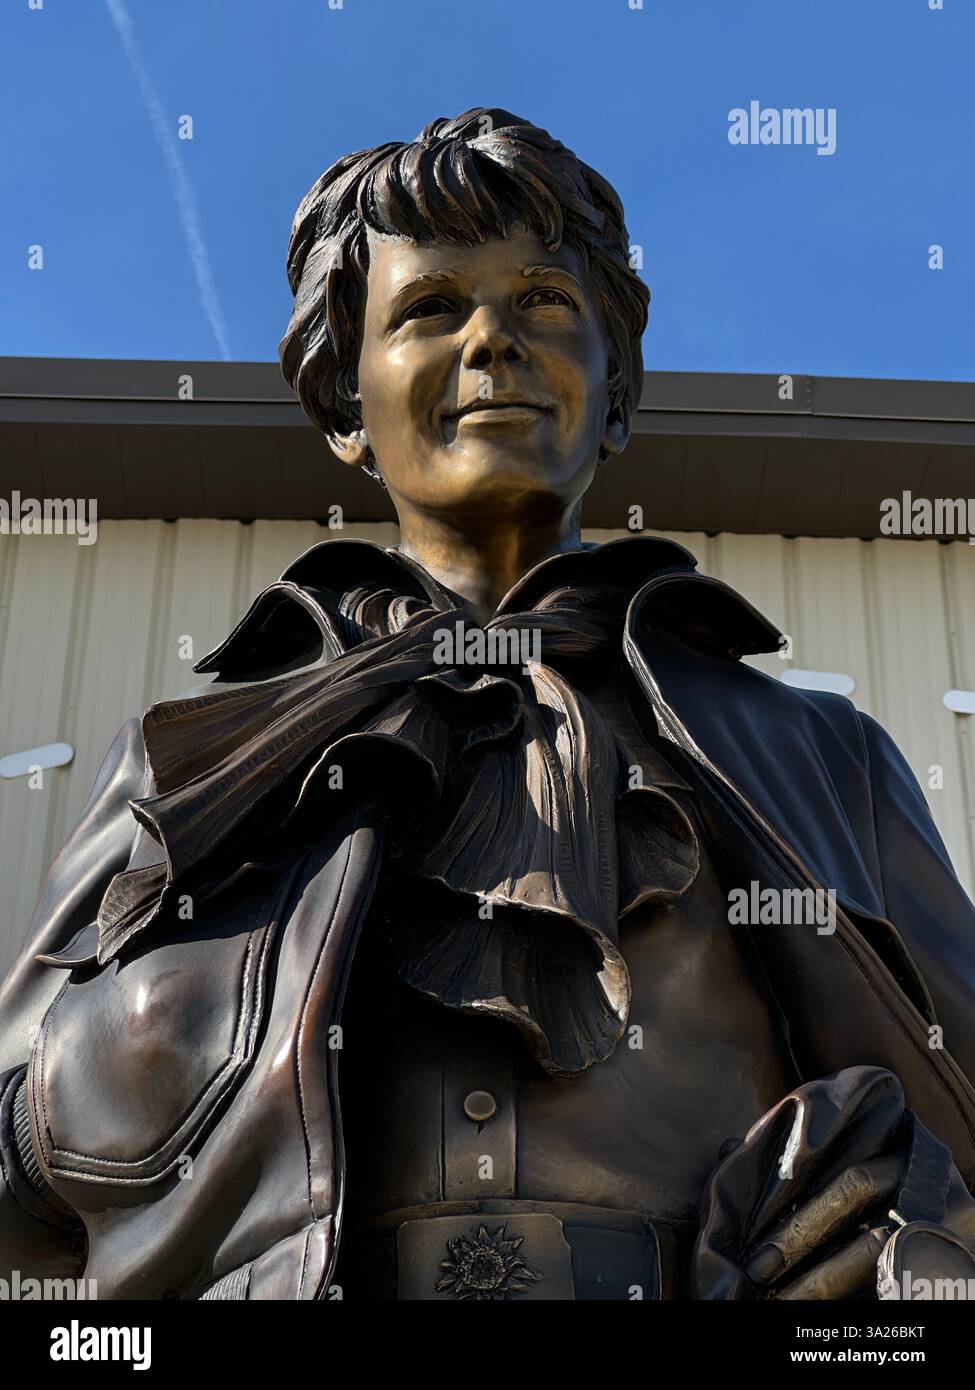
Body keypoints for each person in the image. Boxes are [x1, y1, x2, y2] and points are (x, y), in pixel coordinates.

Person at [2, 108, 975, 1301]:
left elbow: (962, 1124)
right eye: (429, 309)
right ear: (345, 406)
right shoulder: (192, 771)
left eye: (543, 303)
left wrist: (907, 1228)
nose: (492, 344)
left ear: (616, 397)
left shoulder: (818, 757)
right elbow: (14, 1186)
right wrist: (121, 1065)